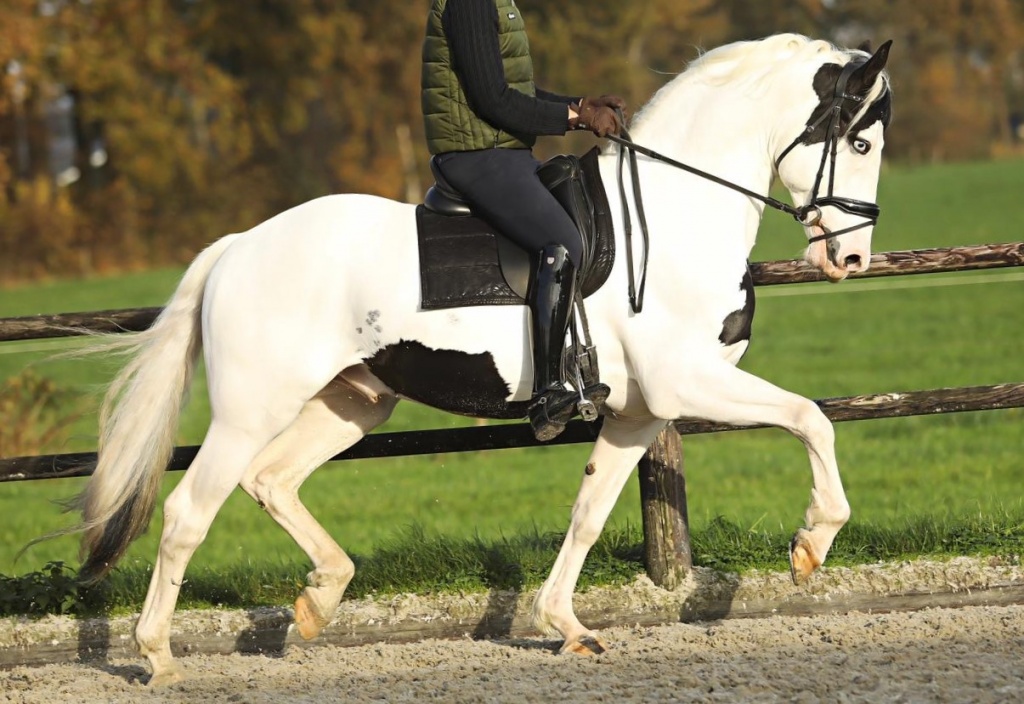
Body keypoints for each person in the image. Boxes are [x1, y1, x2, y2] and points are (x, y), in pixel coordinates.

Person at [421, 0, 626, 442]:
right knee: (561, 243)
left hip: (503, 151)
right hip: (477, 156)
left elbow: (519, 90)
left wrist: (578, 105)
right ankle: (548, 391)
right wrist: (575, 118)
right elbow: (492, 99)